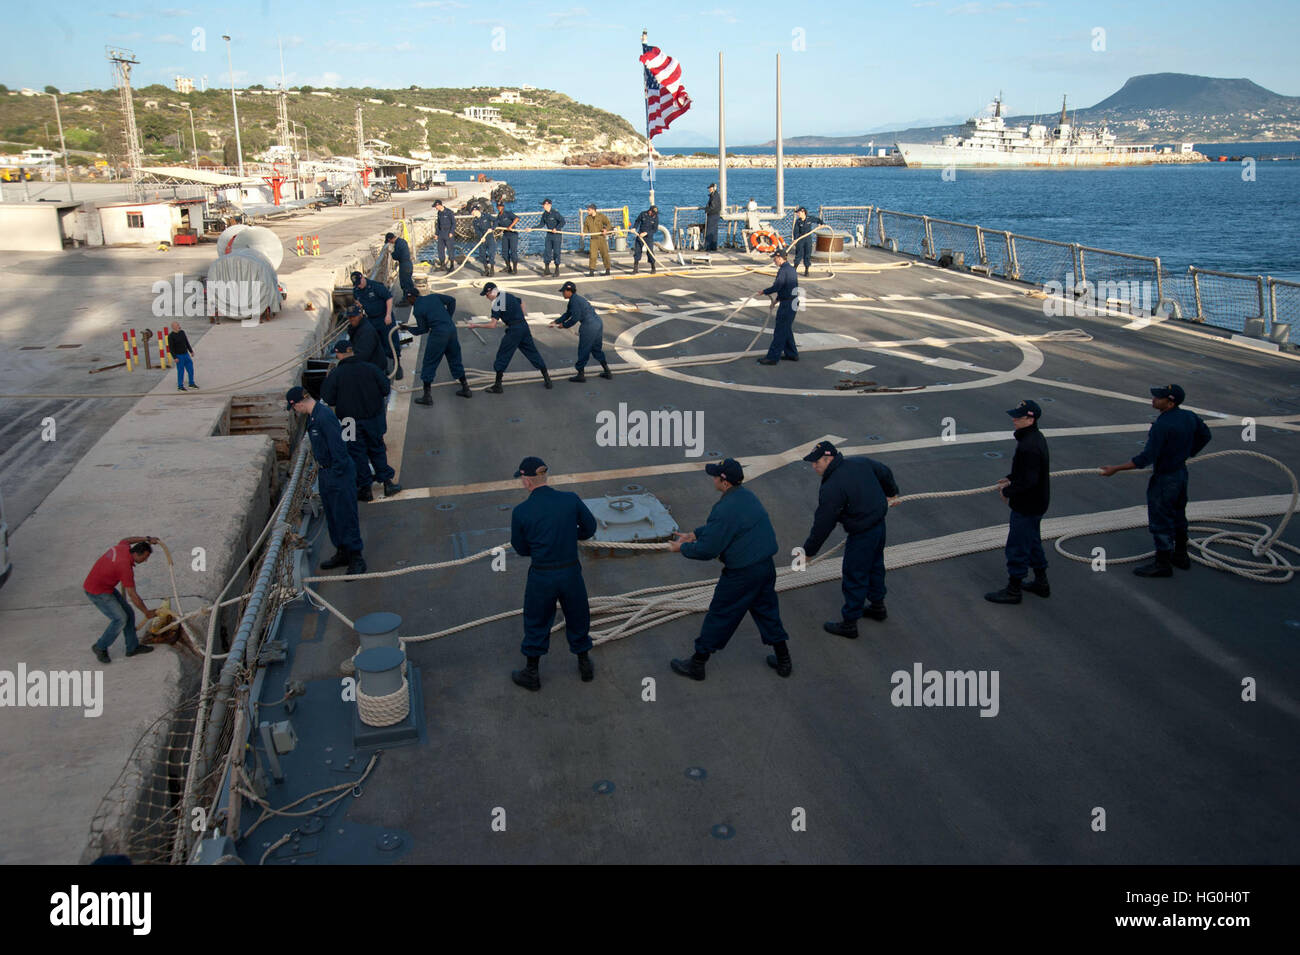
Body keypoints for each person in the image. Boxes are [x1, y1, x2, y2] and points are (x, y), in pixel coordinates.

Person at [668, 458, 793, 680]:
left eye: (715, 476)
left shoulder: (724, 508)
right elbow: (724, 528)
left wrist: (683, 548)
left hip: (742, 575)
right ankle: (784, 660)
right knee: (767, 611)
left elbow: (708, 549)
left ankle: (697, 664)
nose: (713, 479)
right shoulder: (747, 496)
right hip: (765, 567)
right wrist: (695, 533)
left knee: (721, 614)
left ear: (724, 482)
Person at [1100, 383, 1212, 577]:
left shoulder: (1162, 425)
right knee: (1178, 513)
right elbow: (1205, 435)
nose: (1153, 399)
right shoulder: (1189, 416)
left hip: (1165, 478)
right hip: (1180, 473)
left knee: (1160, 519)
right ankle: (1180, 555)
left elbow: (1145, 458)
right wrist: (1188, 452)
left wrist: (1115, 469)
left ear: (1170, 402)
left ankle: (1162, 563)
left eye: (1158, 397)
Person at [508, 457, 598, 690]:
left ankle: (531, 672)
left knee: (536, 621)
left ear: (526, 481)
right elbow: (590, 528)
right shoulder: (570, 500)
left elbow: (520, 548)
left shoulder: (521, 512)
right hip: (570, 572)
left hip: (542, 574)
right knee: (578, 616)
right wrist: (570, 537)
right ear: (544, 477)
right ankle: (584, 664)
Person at [801, 441, 899, 636]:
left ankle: (849, 624)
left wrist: (808, 552)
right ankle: (878, 607)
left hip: (862, 533)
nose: (813, 467)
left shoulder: (832, 487)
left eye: (816, 462)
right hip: (879, 525)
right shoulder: (860, 463)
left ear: (828, 459)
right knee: (875, 565)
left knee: (855, 574)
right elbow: (885, 472)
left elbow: (823, 524)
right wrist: (891, 492)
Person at [287, 386, 365, 575]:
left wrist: (337, 474)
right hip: (326, 472)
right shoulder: (314, 417)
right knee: (332, 515)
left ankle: (356, 557)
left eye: (294, 408)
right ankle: (342, 551)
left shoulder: (323, 418)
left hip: (337, 473)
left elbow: (338, 448)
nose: (295, 412)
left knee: (345, 514)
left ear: (298, 403)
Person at [986, 401, 1051, 604]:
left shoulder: (1029, 445)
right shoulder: (1035, 438)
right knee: (1032, 542)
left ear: (1030, 419)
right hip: (1037, 502)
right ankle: (1041, 582)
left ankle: (1014, 590)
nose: (1013, 419)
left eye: (1018, 417)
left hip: (1027, 504)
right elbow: (1027, 472)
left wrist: (1008, 490)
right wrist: (1010, 477)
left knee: (1017, 546)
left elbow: (1029, 480)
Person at [320, 339, 401, 501]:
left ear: (339, 354)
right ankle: (387, 483)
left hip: (349, 421)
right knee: (377, 447)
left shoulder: (336, 375)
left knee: (356, 453)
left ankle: (365, 488)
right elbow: (385, 389)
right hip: (373, 418)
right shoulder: (371, 369)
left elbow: (329, 399)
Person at [85, 536, 160, 663]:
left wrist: (147, 539)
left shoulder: (123, 548)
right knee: (120, 619)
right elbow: (132, 594)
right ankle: (100, 646)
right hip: (97, 591)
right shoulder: (125, 567)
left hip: (105, 586)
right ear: (136, 554)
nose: (146, 560)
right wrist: (146, 612)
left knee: (129, 613)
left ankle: (132, 647)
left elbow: (127, 539)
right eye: (145, 557)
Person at [479, 282, 552, 392]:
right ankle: (547, 379)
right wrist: (520, 316)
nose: (486, 297)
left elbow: (492, 325)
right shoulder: (506, 295)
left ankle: (498, 386)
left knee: (503, 354)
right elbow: (521, 301)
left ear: (491, 292)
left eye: (487, 294)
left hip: (514, 330)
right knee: (532, 352)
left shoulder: (497, 303)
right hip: (523, 326)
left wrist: (475, 325)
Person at [406, 292, 473, 405]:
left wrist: (408, 329)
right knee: (455, 359)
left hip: (438, 334)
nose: (409, 303)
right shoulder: (432, 296)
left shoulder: (417, 309)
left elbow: (423, 330)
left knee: (429, 362)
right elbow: (452, 300)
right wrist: (448, 317)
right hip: (451, 330)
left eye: (408, 300)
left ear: (412, 298)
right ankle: (466, 388)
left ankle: (427, 396)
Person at [551, 281, 612, 382]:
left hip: (589, 326)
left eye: (564, 291)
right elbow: (567, 314)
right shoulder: (577, 299)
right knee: (596, 349)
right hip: (597, 323)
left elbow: (575, 318)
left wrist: (564, 325)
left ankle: (580, 374)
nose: (563, 293)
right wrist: (556, 321)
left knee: (583, 350)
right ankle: (607, 371)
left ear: (569, 291)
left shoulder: (574, 301)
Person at [351, 271, 401, 380]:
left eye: (359, 283)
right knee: (377, 345)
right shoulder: (356, 291)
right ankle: (383, 368)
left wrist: (388, 315)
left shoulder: (375, 286)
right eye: (357, 284)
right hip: (372, 319)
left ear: (363, 278)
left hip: (384, 318)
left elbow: (389, 298)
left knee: (391, 341)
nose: (359, 286)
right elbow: (358, 303)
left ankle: (398, 365)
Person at [757, 249, 799, 365]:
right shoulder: (791, 269)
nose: (774, 261)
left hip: (787, 304)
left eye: (774, 258)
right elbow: (787, 288)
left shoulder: (783, 271)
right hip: (793, 301)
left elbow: (777, 286)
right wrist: (775, 301)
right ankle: (792, 354)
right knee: (786, 329)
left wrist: (764, 291)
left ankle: (772, 357)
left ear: (780, 258)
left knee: (780, 331)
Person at [345, 304, 386, 374]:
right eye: (349, 317)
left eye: (354, 316)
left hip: (374, 370)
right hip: (369, 366)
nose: (351, 319)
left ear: (361, 315)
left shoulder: (367, 332)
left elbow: (362, 355)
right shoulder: (356, 328)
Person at [790, 206, 823, 276]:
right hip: (800, 239)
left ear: (803, 212)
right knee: (799, 254)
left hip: (808, 239)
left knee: (807, 255)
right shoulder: (798, 221)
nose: (798, 214)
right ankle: (794, 269)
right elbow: (795, 231)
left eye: (799, 213)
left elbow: (818, 220)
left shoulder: (809, 219)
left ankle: (806, 270)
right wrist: (795, 239)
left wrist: (821, 224)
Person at [385, 231, 416, 301]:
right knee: (409, 281)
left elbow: (396, 256)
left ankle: (407, 299)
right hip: (408, 263)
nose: (390, 243)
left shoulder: (397, 244)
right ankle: (412, 296)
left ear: (390, 239)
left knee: (404, 282)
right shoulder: (402, 241)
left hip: (404, 265)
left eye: (389, 242)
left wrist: (392, 252)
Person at [583, 203, 612, 276]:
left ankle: (607, 269)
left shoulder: (601, 216)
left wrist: (606, 230)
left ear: (593, 210)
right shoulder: (587, 218)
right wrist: (584, 233)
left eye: (589, 210)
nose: (587, 211)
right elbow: (585, 227)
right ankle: (591, 271)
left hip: (601, 238)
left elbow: (608, 224)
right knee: (593, 255)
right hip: (593, 239)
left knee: (605, 254)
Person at [167, 321, 197, 391]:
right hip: (179, 356)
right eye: (177, 325)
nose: (179, 326)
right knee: (181, 371)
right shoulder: (171, 336)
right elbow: (171, 348)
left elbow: (186, 342)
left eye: (178, 325)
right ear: (173, 327)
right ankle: (180, 386)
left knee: (190, 369)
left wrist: (191, 351)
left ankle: (191, 383)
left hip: (186, 354)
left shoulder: (182, 332)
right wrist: (175, 357)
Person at [538, 198, 565, 276]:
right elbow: (541, 224)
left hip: (557, 235)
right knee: (547, 251)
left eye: (544, 205)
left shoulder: (555, 213)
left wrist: (556, 228)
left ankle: (557, 270)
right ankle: (547, 269)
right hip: (549, 235)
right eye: (543, 205)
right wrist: (532, 228)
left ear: (549, 205)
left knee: (556, 252)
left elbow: (563, 221)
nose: (543, 206)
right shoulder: (544, 214)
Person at [494, 200, 520, 274]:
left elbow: (517, 218)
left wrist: (510, 226)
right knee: (504, 252)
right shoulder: (498, 216)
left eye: (501, 206)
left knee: (513, 252)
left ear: (503, 207)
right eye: (498, 206)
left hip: (513, 234)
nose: (500, 208)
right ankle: (508, 267)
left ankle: (515, 268)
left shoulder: (508, 213)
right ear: (497, 207)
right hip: (505, 235)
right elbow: (496, 225)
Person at [632, 205, 659, 274]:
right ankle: (635, 268)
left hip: (648, 237)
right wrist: (634, 227)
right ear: (650, 211)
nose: (654, 215)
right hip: (640, 235)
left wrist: (646, 233)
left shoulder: (656, 218)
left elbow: (655, 229)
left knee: (650, 252)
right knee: (637, 251)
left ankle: (653, 267)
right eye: (653, 213)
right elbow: (637, 221)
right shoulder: (643, 214)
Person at [433, 200, 457, 272]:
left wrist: (451, 232)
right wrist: (437, 234)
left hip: (448, 232)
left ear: (439, 205)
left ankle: (452, 265)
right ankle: (442, 264)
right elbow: (438, 225)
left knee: (450, 249)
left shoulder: (449, 212)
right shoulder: (439, 213)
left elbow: (453, 223)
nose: (436, 208)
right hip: (441, 233)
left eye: (436, 206)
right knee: (440, 249)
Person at [474, 206, 497, 276]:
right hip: (482, 239)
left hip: (489, 237)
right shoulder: (475, 221)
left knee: (491, 253)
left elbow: (496, 220)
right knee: (482, 254)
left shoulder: (486, 216)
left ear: (477, 211)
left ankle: (492, 269)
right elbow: (477, 230)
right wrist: (481, 237)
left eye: (473, 212)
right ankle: (486, 269)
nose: (472, 213)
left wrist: (492, 228)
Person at [704, 183, 721, 251]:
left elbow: (713, 206)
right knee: (714, 231)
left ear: (714, 188)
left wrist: (707, 210)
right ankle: (713, 247)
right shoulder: (715, 195)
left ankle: (708, 247)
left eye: (710, 188)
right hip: (716, 215)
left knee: (709, 231)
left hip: (712, 215)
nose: (709, 189)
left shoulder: (714, 196)